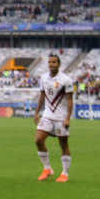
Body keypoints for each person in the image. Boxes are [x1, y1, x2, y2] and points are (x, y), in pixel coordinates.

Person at [34, 54, 74, 183]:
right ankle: (47, 169)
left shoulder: (65, 80)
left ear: (59, 64)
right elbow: (42, 95)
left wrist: (68, 118)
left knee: (63, 145)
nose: (51, 64)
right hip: (47, 115)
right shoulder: (44, 77)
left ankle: (65, 173)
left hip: (61, 117)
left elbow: (70, 100)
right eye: (50, 62)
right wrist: (36, 113)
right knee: (38, 140)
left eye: (54, 62)